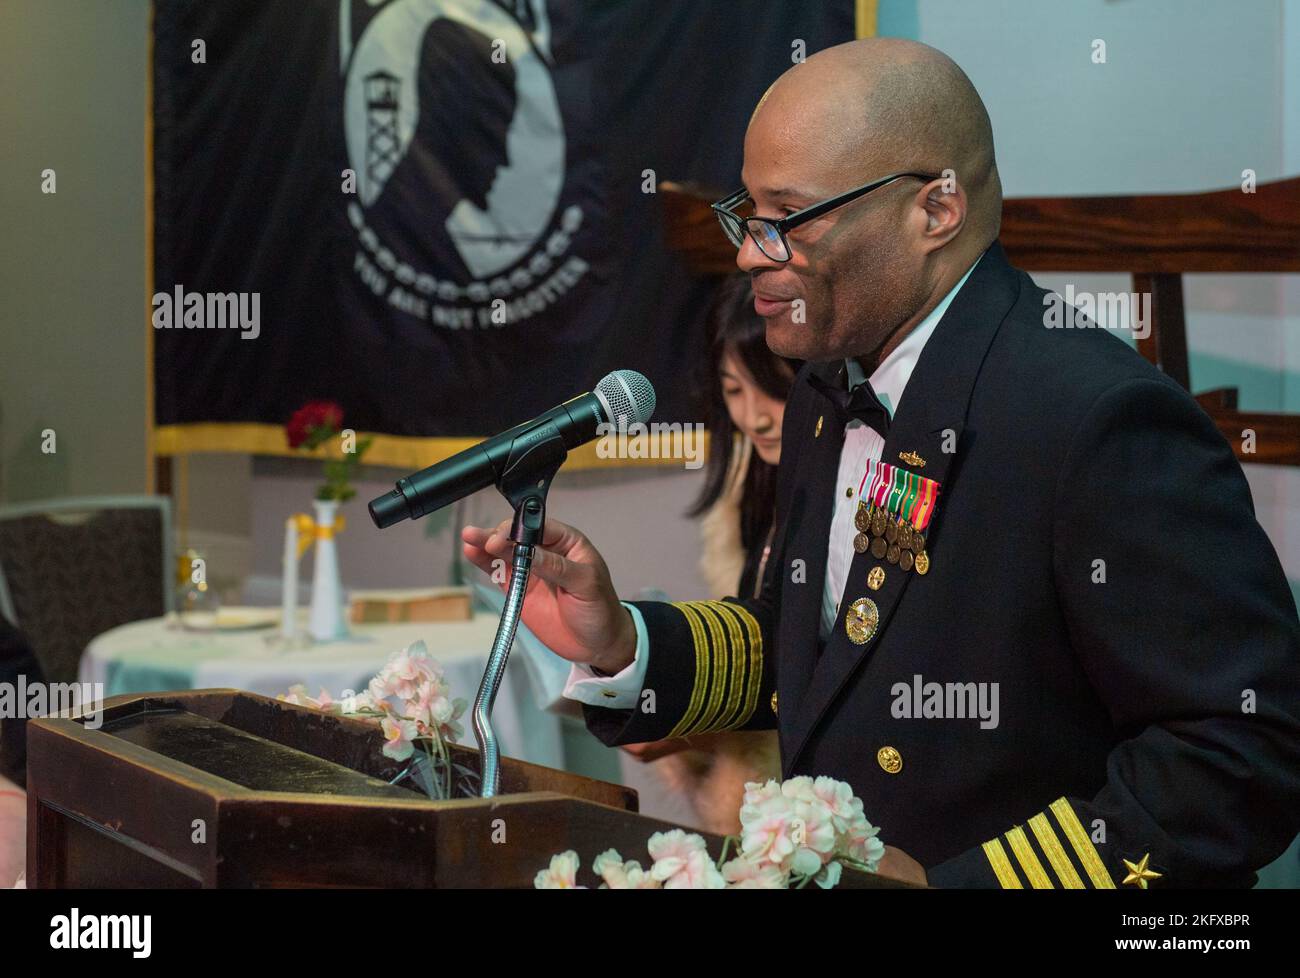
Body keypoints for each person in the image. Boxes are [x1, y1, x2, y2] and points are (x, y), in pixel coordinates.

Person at [462, 38, 1300, 887]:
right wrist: (623, 641)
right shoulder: (831, 384)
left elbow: (1240, 752)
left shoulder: (1098, 417)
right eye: (745, 213)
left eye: (789, 217)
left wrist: (955, 888)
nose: (751, 251)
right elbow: (817, 654)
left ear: (935, 209)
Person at [618, 276, 796, 834]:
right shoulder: (745, 486)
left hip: (814, 798)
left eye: (775, 389)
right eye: (734, 391)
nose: (755, 416)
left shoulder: (852, 482)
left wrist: (694, 724)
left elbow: (819, 667)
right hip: (748, 782)